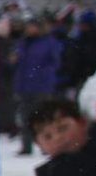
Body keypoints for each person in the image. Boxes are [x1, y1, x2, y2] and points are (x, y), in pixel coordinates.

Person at [12, 18, 65, 156]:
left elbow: (56, 62)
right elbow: (18, 63)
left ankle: (47, 145)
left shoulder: (49, 42)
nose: (30, 30)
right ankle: (26, 146)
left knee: (43, 118)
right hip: (25, 85)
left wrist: (43, 73)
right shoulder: (23, 43)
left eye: (33, 27)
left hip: (42, 85)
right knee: (26, 117)